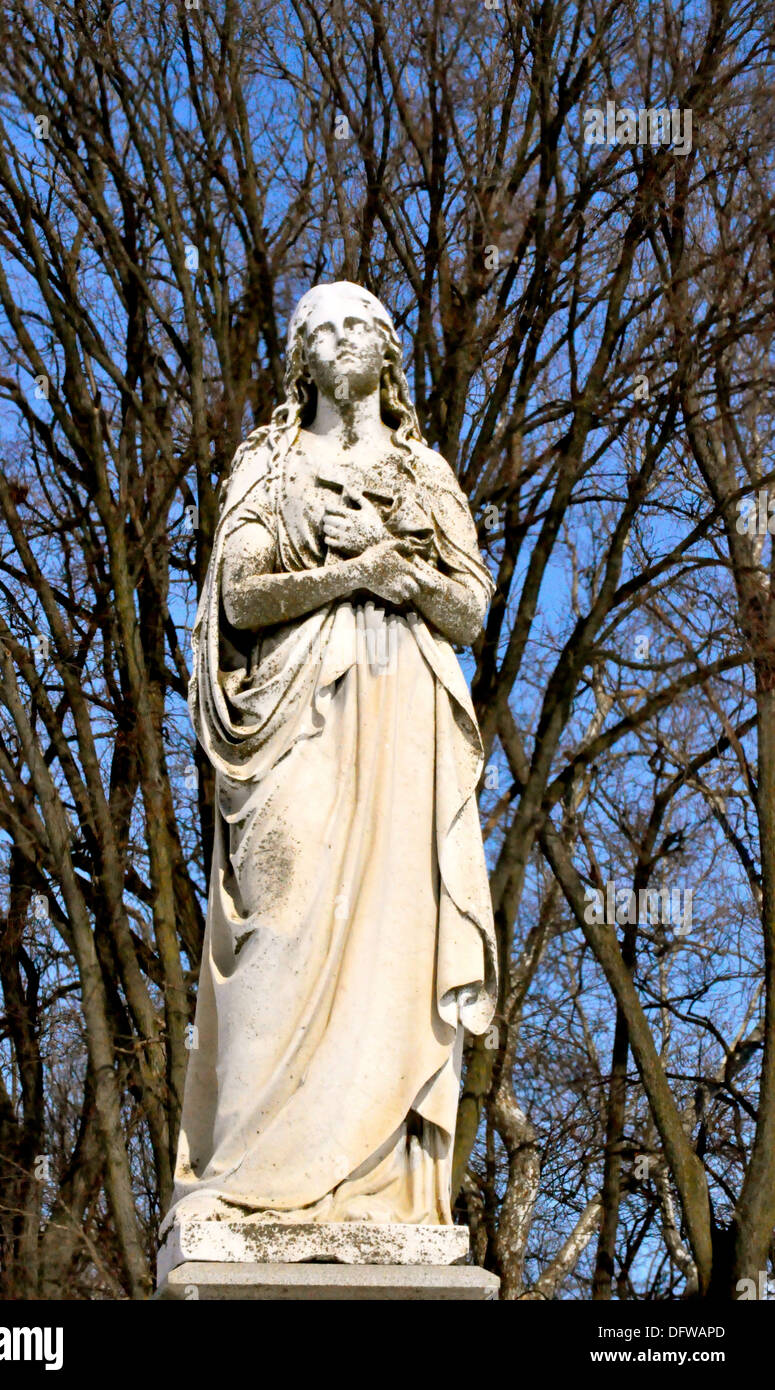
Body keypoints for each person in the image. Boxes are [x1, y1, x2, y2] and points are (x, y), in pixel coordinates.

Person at [161, 282, 498, 1239]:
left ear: (386, 351)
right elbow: (239, 597)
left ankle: (377, 1185)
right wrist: (349, 573)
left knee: (394, 928)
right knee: (279, 914)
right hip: (291, 721)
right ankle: (242, 1173)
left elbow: (469, 608)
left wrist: (396, 562)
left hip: (403, 728)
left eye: (360, 324)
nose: (342, 339)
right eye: (323, 328)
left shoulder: (422, 471)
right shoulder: (270, 464)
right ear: (300, 357)